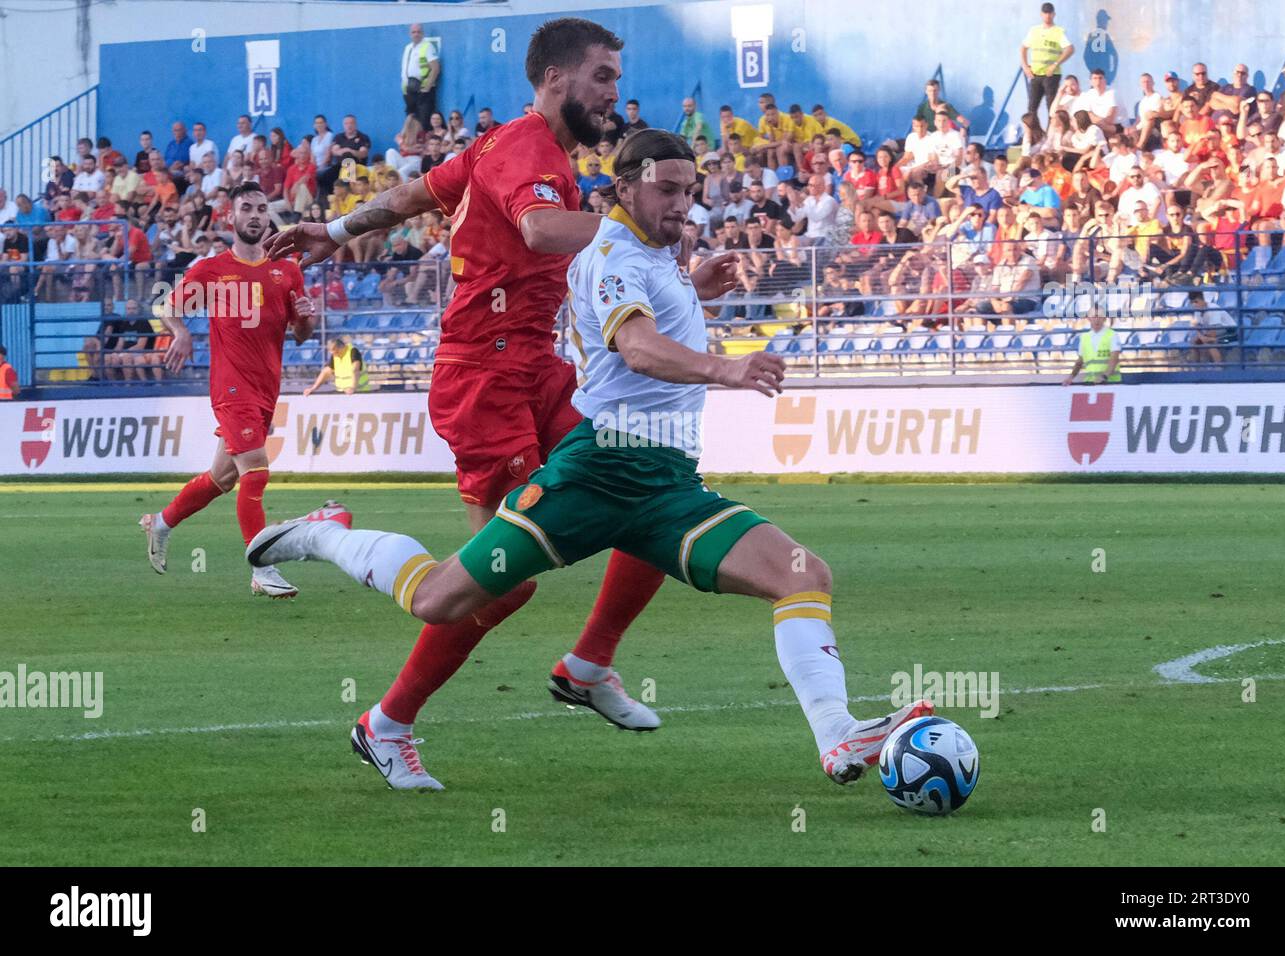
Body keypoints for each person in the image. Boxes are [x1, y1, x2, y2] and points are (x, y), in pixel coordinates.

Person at [248, 128, 933, 791]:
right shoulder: (611, 253)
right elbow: (635, 348)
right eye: (667, 189)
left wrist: (691, 287)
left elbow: (638, 321)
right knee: (441, 599)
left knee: (803, 573)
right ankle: (324, 534)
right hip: (599, 470)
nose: (682, 204)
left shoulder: (652, 253)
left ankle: (837, 732)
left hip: (667, 484)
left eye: (690, 190)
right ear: (624, 189)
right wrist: (725, 370)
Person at [264, 18, 743, 777]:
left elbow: (416, 193)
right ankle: (382, 706)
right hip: (483, 380)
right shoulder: (526, 151)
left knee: (655, 487)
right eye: (603, 76)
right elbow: (545, 229)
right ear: (554, 79)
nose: (614, 92)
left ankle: (587, 665)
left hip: (539, 369)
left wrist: (335, 225)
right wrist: (655, 243)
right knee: (497, 584)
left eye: (616, 78)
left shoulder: (510, 147)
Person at [140, 182, 316, 597]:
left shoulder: (288, 270)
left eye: (261, 209)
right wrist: (180, 332)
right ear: (231, 217)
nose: (255, 215)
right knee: (255, 470)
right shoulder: (212, 269)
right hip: (230, 387)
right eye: (246, 209)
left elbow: (302, 334)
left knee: (222, 478)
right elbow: (167, 307)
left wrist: (307, 318)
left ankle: (160, 522)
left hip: (266, 389)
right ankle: (262, 568)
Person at [1021, 2, 1075, 125]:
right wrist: (1025, 66)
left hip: (1051, 75)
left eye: (1050, 13)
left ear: (1054, 14)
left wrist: (1055, 64)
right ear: (1041, 14)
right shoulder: (1034, 30)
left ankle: (1050, 135)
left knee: (1051, 107)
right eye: (1045, 13)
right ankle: (1034, 136)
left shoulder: (1058, 31)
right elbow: (1023, 48)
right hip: (1035, 74)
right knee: (1032, 107)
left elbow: (1070, 49)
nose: (1048, 15)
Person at [1063, 308, 1122, 384]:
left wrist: (1104, 376)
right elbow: (1079, 361)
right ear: (1088, 318)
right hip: (1090, 383)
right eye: (1094, 316)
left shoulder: (1112, 335)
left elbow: (1114, 359)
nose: (1097, 319)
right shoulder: (1084, 337)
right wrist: (1070, 377)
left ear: (1104, 318)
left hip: (1110, 383)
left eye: (1100, 316)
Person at [401, 23, 440, 130]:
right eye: (414, 32)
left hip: (423, 90)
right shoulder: (408, 48)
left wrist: (426, 88)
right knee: (411, 121)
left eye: (418, 32)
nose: (416, 34)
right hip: (410, 90)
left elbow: (435, 68)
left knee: (424, 121)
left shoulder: (427, 46)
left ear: (422, 33)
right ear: (410, 34)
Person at [305, 338, 370, 395]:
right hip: (342, 393)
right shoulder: (335, 356)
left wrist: (352, 387)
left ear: (340, 348)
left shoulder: (353, 352)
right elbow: (326, 372)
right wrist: (313, 388)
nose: (334, 355)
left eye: (335, 353)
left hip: (359, 392)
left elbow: (355, 369)